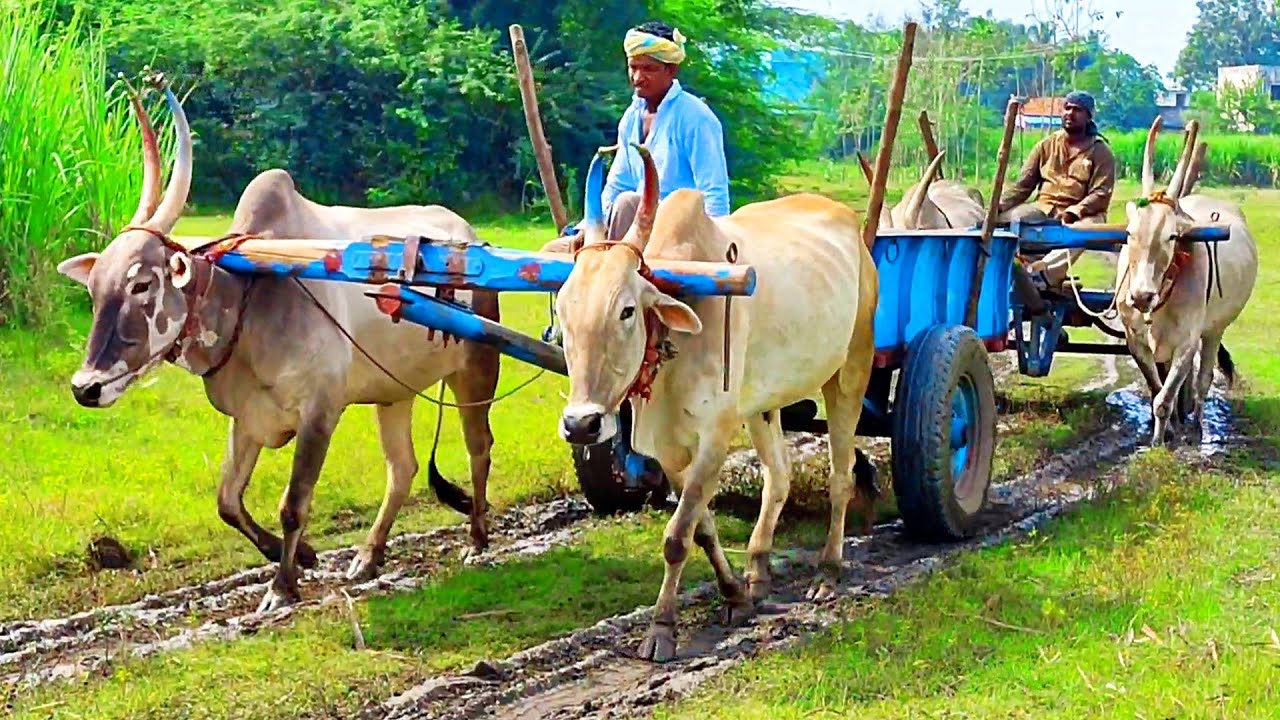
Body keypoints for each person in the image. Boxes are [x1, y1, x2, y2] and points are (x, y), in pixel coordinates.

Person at [596, 21, 732, 240]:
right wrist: (591, 226)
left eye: (648, 69)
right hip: (636, 232)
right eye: (633, 67)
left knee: (627, 202)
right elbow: (619, 182)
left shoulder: (696, 118)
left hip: (680, 235)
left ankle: (613, 268)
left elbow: (713, 191)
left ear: (671, 70)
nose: (638, 78)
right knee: (558, 248)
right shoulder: (631, 117)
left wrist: (717, 246)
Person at [998, 90, 1116, 291]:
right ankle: (1010, 270)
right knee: (1004, 222)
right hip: (1044, 206)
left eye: (1077, 110)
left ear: (1088, 116)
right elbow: (1023, 185)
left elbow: (1101, 193)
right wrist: (1000, 205)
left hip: (1085, 214)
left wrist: (1075, 211)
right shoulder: (1045, 145)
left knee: (1081, 233)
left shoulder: (1100, 151)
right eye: (1067, 108)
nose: (1070, 114)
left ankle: (1043, 275)